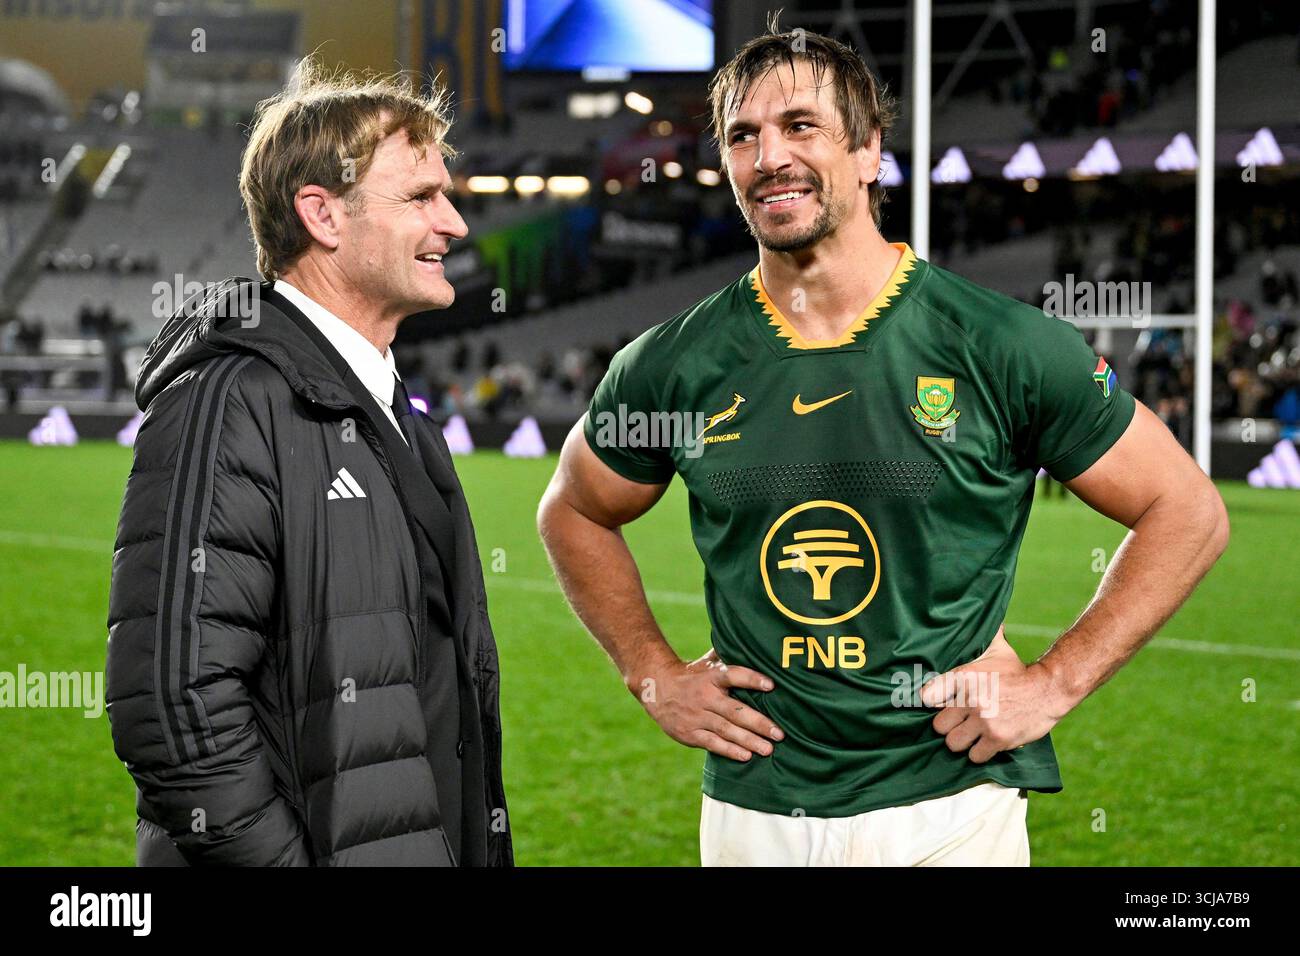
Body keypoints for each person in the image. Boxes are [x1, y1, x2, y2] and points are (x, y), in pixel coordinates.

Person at [536, 24, 1228, 866]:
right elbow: (573, 509)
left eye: (800, 126)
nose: (769, 157)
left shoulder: (1000, 344)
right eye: (742, 137)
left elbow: (1186, 508)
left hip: (950, 800)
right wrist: (651, 672)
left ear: (868, 151)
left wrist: (1055, 682)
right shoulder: (674, 363)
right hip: (757, 807)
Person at [106, 59, 511, 866]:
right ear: (323, 215)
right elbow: (176, 710)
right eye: (422, 198)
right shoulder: (228, 400)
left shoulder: (391, 406)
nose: (456, 224)